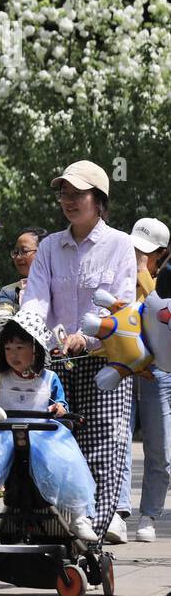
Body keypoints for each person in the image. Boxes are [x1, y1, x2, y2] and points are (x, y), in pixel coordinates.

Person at [18, 160, 137, 546]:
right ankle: (58, 537)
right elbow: (35, 299)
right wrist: (26, 336)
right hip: (56, 364)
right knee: (53, 449)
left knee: (102, 451)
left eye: (77, 194)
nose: (69, 201)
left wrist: (86, 335)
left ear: (98, 200)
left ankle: (93, 542)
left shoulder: (120, 245)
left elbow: (120, 303)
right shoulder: (50, 246)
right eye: (64, 194)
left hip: (105, 363)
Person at [0, 310, 99, 545]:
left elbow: (61, 404)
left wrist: (59, 410)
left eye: (20, 347)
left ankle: (78, 516)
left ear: (35, 348)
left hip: (43, 435)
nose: (13, 354)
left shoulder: (50, 378)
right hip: (3, 433)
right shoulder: (0, 377)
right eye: (8, 348)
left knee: (68, 463)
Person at [122, 217, 171, 542]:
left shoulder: (165, 278)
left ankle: (149, 516)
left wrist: (143, 273)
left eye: (147, 253)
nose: (140, 256)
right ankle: (117, 511)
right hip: (123, 367)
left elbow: (161, 313)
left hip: (159, 373)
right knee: (118, 443)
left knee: (160, 449)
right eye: (135, 250)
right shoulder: (120, 274)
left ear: (162, 253)